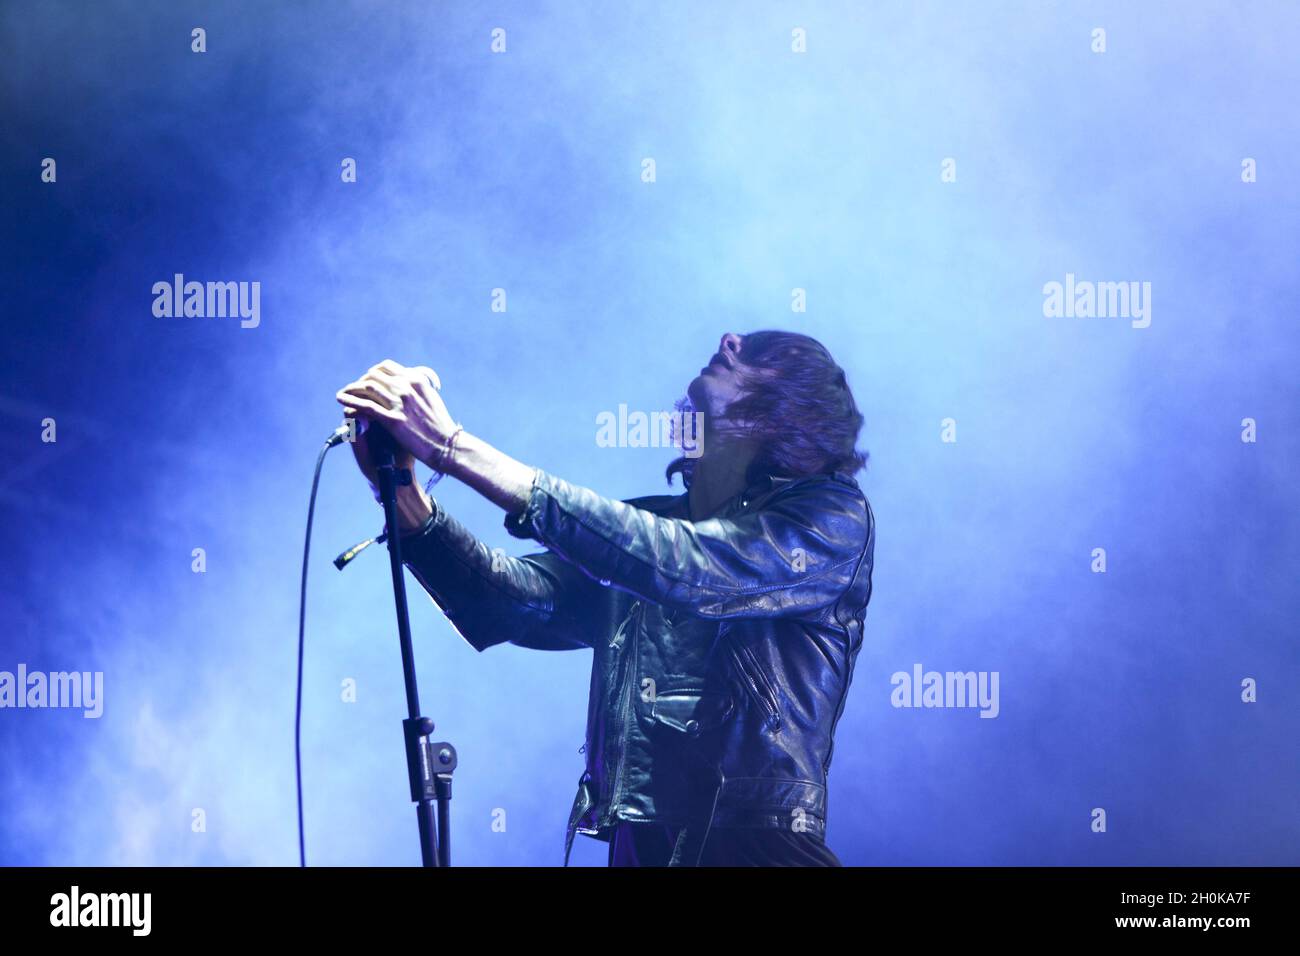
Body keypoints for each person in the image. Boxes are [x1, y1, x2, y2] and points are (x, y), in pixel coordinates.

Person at [336, 331, 875, 866]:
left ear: (794, 406)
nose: (730, 339)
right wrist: (402, 494)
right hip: (640, 849)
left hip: (758, 850)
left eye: (761, 349)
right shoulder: (651, 530)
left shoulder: (831, 521)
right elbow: (511, 603)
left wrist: (451, 446)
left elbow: (688, 568)